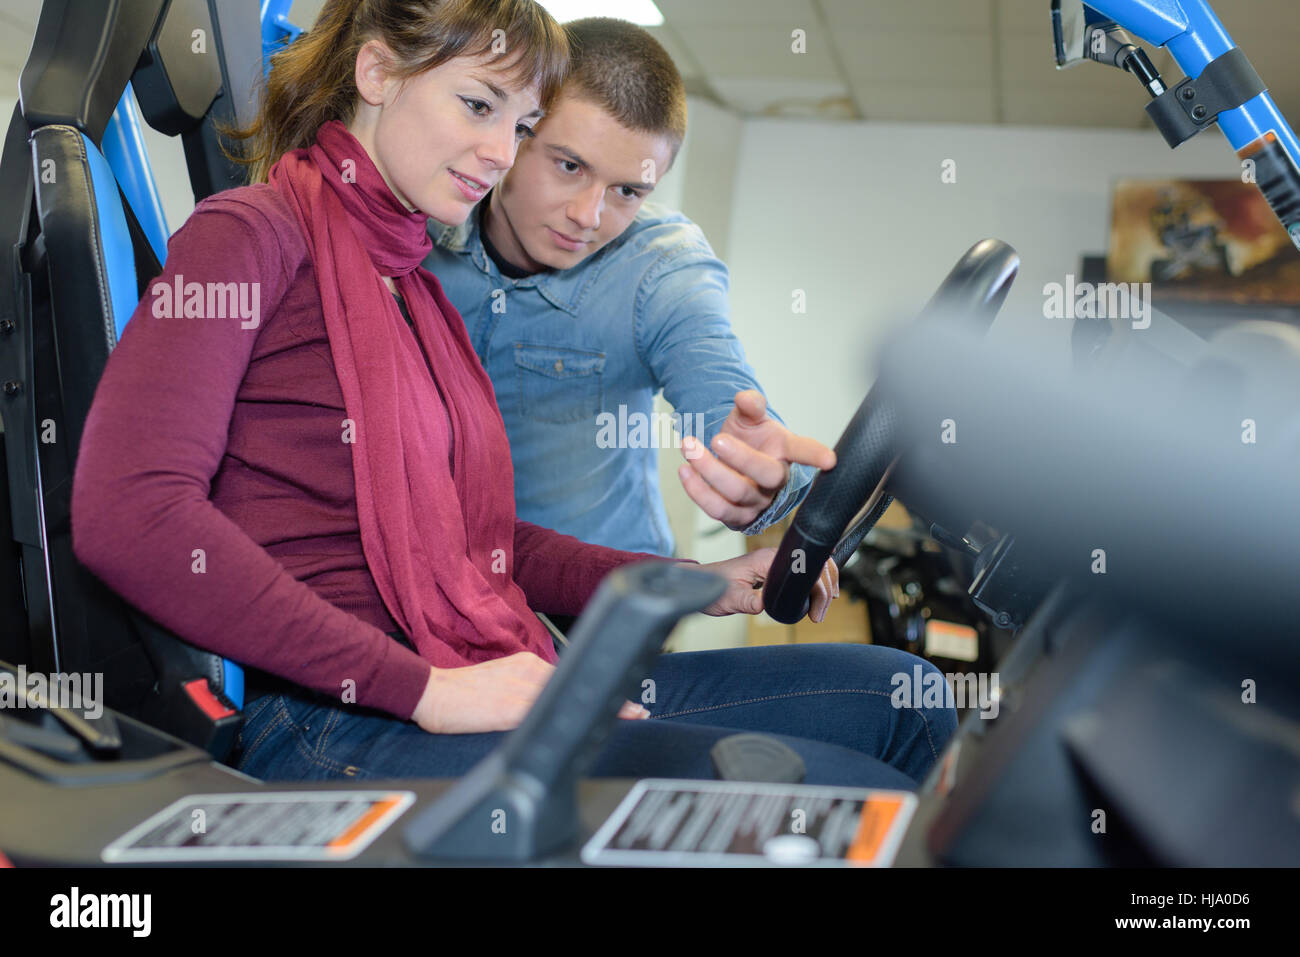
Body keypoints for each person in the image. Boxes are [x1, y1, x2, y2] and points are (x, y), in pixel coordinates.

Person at [71, 0, 955, 789]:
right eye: (480, 106)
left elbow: (483, 543)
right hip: (337, 712)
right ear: (376, 70)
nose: (500, 153)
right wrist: (426, 691)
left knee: (905, 695)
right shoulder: (251, 234)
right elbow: (129, 512)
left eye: (521, 121)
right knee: (818, 791)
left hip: (466, 658)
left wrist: (698, 584)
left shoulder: (410, 283)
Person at [424, 17, 829, 561]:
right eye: (569, 166)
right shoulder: (419, 221)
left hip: (599, 596)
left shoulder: (663, 269)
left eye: (627, 191)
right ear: (518, 130)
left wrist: (766, 481)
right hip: (437, 578)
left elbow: (723, 398)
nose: (588, 216)